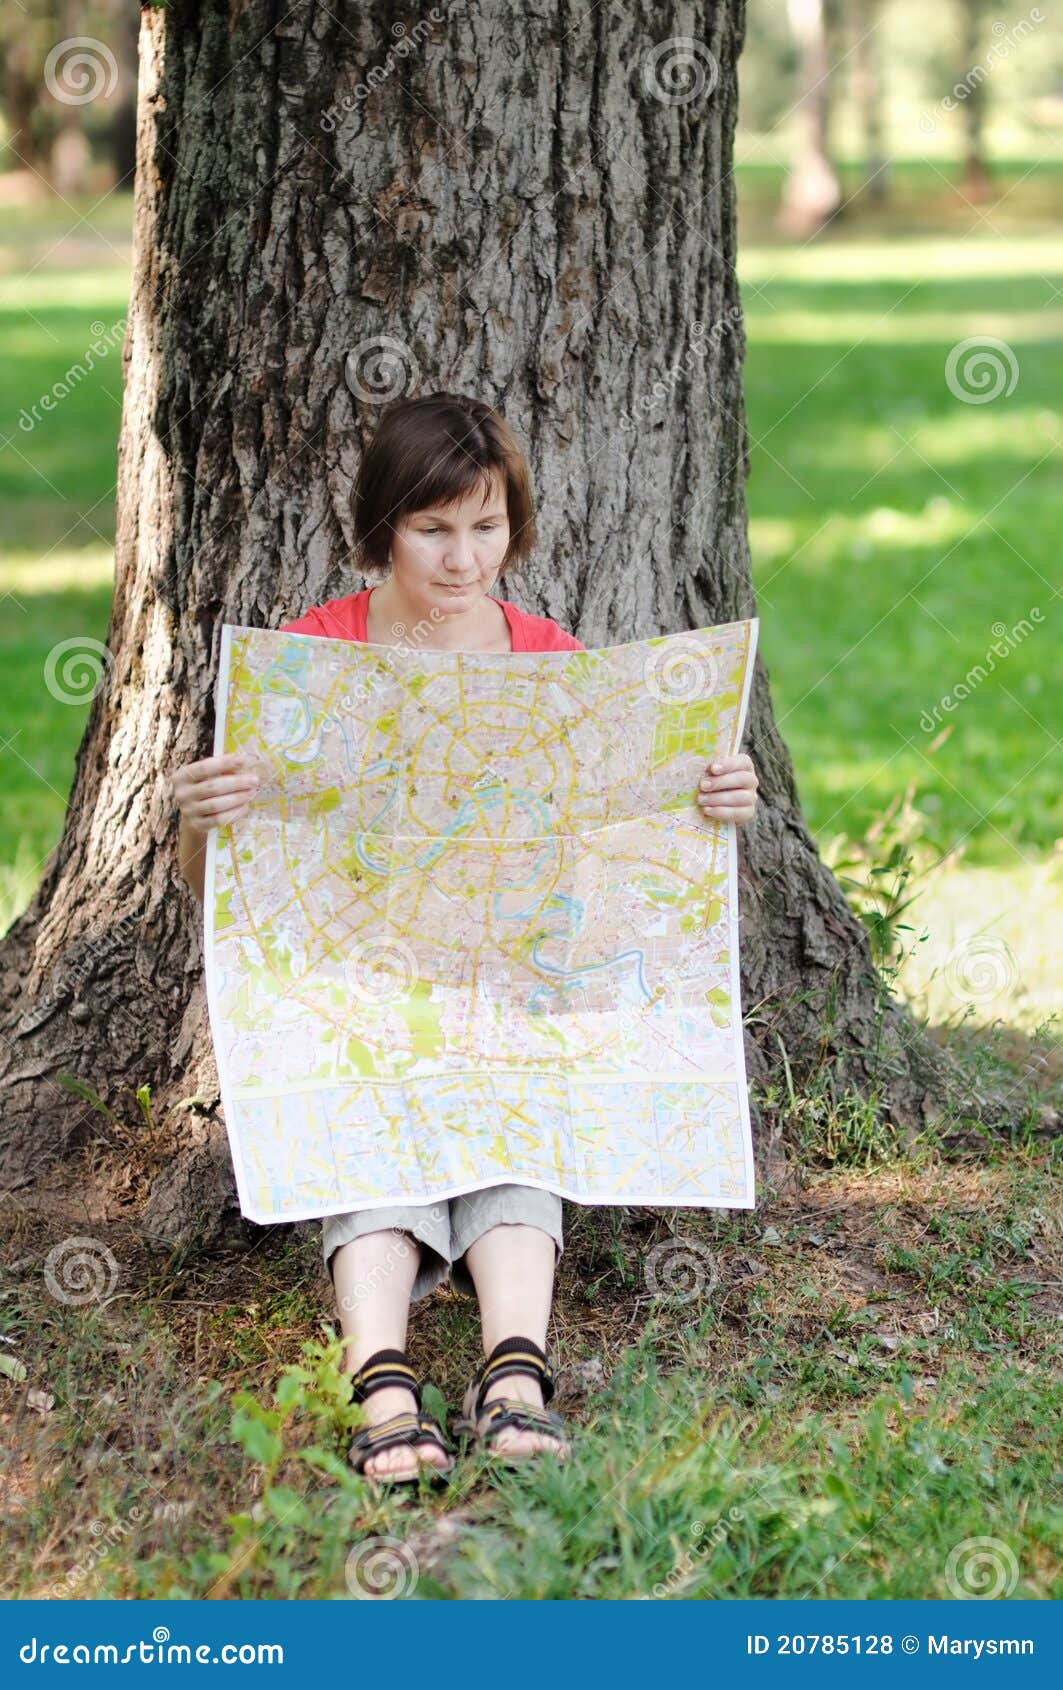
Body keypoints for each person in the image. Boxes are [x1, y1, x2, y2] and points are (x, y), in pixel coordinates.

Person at [172, 392, 759, 1486]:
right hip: (356, 981)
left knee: (515, 1132)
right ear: (382, 526)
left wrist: (710, 803)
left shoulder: (551, 663)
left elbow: (613, 848)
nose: (460, 558)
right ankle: (384, 1383)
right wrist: (202, 822)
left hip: (508, 980)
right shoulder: (312, 660)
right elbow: (221, 888)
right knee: (369, 1129)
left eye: (484, 527)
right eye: (431, 528)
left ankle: (514, 1375)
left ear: (514, 527)